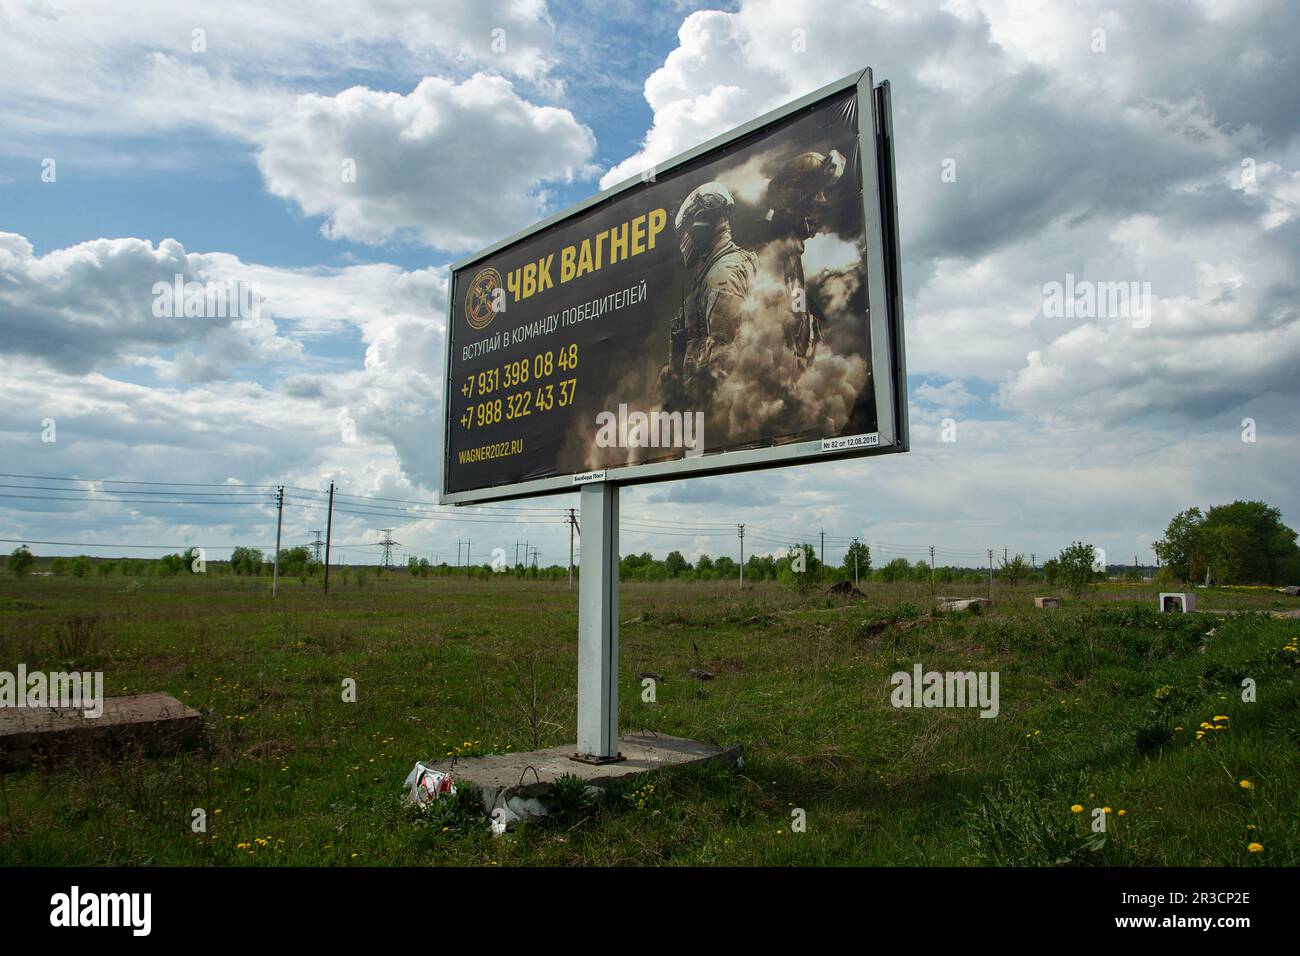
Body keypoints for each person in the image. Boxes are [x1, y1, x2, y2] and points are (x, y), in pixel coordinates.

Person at [658, 181, 757, 412]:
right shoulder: (718, 270)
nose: (683, 240)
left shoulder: (721, 276)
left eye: (684, 231)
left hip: (715, 421)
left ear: (700, 226)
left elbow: (725, 367)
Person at [754, 149, 846, 365]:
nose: (815, 222)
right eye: (812, 209)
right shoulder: (762, 261)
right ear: (793, 209)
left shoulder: (793, 260)